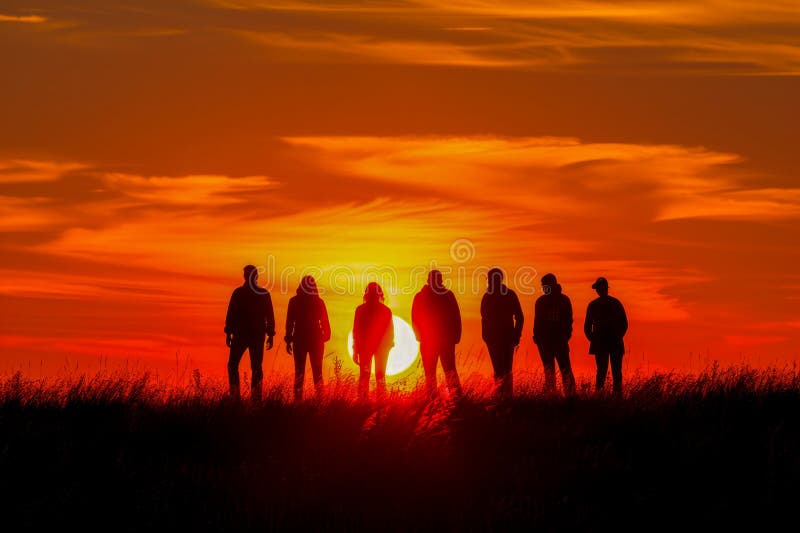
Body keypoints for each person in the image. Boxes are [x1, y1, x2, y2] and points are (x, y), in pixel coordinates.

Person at [225, 264, 275, 400]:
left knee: (235, 365)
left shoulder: (239, 293)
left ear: (245, 276)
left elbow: (231, 314)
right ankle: (254, 398)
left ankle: (236, 397)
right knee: (254, 367)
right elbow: (270, 316)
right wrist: (270, 334)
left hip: (243, 334)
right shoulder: (261, 294)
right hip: (252, 335)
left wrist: (228, 332)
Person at [412, 270, 463, 398]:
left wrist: (456, 336)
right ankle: (435, 398)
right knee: (434, 373)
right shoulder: (422, 297)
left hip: (443, 341)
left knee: (448, 371)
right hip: (431, 341)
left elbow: (455, 316)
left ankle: (455, 397)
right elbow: (415, 318)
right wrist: (419, 336)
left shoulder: (446, 295)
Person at [285, 276, 331, 401]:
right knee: (317, 372)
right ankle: (319, 400)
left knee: (299, 372)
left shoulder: (294, 301)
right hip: (315, 338)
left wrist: (288, 339)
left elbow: (289, 322)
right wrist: (325, 336)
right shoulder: (318, 302)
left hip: (300, 338)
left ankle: (298, 401)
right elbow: (325, 323)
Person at [480, 268, 524, 399]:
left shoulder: (505, 295)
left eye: (490, 279)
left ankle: (506, 396)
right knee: (500, 370)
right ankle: (502, 396)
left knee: (504, 370)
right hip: (495, 339)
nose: (489, 282)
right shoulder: (489, 296)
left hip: (505, 338)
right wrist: (486, 337)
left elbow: (519, 317)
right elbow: (484, 318)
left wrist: (516, 335)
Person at [533, 272, 576, 395]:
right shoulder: (541, 301)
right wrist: (537, 337)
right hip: (545, 342)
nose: (543, 287)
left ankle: (571, 395)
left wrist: (565, 336)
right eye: (542, 285)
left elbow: (569, 320)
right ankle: (551, 395)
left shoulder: (563, 300)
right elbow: (537, 321)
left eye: (545, 285)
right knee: (549, 371)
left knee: (565, 369)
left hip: (559, 341)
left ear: (552, 284)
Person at [584, 277, 628, 395]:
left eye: (598, 288)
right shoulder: (615, 303)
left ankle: (601, 396)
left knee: (604, 372)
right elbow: (624, 324)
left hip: (605, 343)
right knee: (614, 372)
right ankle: (615, 396)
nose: (598, 290)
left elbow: (587, 327)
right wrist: (617, 337)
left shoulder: (594, 305)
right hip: (611, 343)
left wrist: (594, 339)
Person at [352, 282, 394, 399]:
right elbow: (390, 332)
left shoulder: (360, 310)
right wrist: (388, 346)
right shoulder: (385, 310)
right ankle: (379, 400)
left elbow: (356, 331)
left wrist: (355, 350)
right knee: (379, 375)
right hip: (379, 349)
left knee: (366, 375)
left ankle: (363, 400)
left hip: (368, 348)